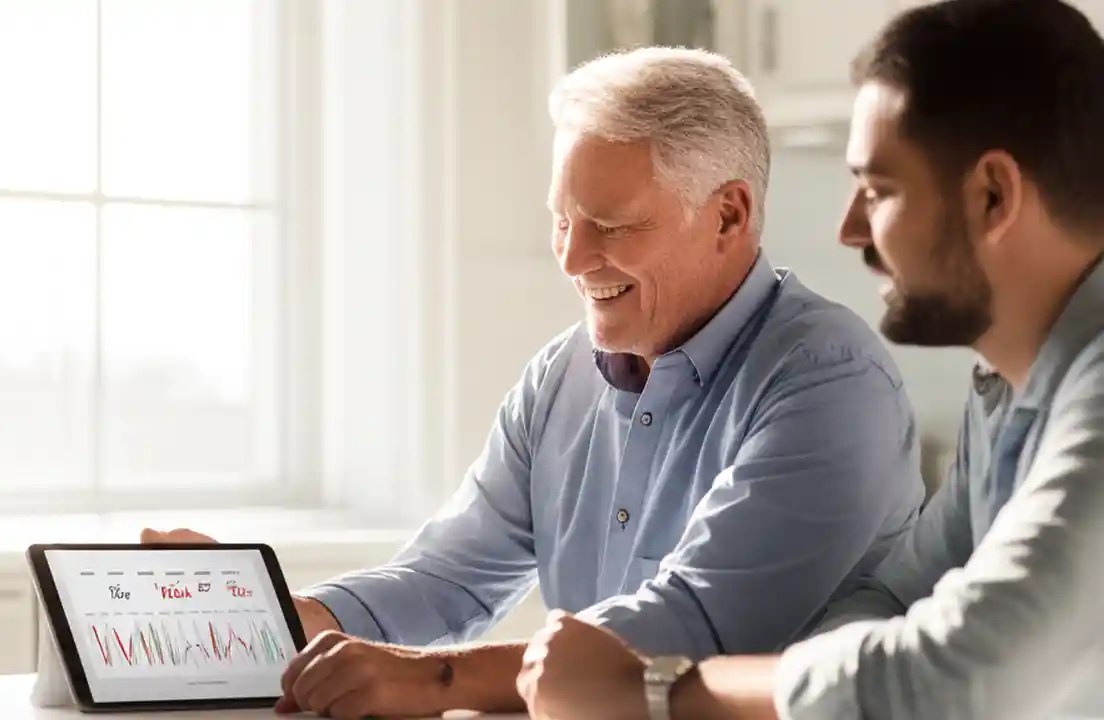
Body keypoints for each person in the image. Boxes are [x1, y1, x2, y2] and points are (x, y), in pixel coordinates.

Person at [144, 46, 924, 719]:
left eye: (611, 224)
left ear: (728, 216)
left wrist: (430, 678)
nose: (573, 256)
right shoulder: (560, 376)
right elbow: (446, 578)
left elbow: (692, 625)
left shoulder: (828, 383)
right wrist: (266, 619)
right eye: (562, 219)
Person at [516, 2, 1104, 719]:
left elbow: (953, 677)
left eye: (880, 190)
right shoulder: (1009, 398)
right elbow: (890, 600)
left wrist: (661, 691)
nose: (849, 226)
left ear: (992, 196)